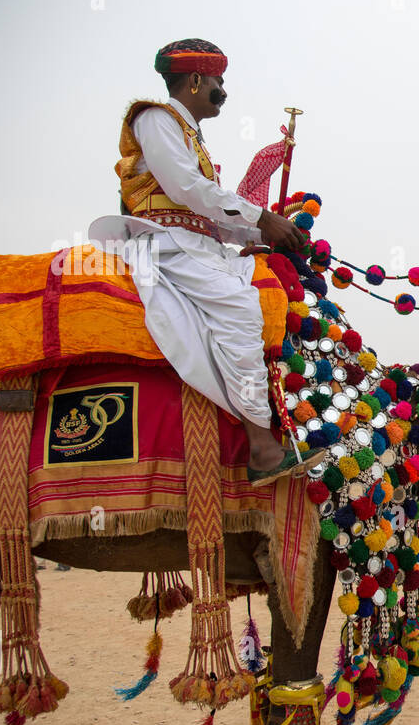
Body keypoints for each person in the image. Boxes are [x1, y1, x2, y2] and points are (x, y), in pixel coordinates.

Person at [89, 39, 313, 486]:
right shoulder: (155, 119)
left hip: (196, 244)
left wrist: (266, 234)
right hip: (165, 246)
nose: (223, 90)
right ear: (194, 80)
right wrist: (261, 216)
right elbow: (187, 189)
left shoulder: (192, 135)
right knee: (239, 308)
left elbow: (209, 215)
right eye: (217, 81)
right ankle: (263, 447)